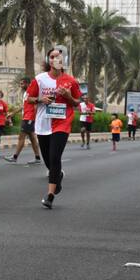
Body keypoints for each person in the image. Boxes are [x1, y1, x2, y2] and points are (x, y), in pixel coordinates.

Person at [28, 45, 81, 209]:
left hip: (62, 123)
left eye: (58, 56)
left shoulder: (70, 81)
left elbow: (77, 103)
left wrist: (68, 96)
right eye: (52, 56)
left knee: (55, 157)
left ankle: (50, 195)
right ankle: (57, 176)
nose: (55, 59)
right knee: (48, 160)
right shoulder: (40, 79)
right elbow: (29, 98)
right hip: (43, 123)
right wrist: (40, 99)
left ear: (63, 60)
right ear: (48, 60)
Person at [6, 81, 43, 165]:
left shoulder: (33, 92)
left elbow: (37, 104)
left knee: (21, 137)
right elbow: (23, 106)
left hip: (29, 117)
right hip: (26, 116)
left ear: (27, 84)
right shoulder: (26, 93)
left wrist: (34, 117)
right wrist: (13, 113)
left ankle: (14, 157)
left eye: (22, 83)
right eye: (20, 83)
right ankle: (37, 158)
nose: (20, 85)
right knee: (32, 138)